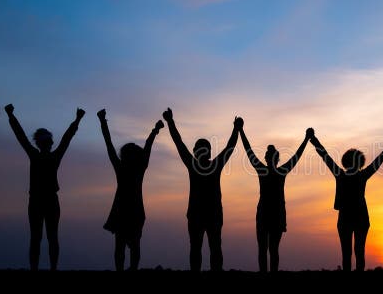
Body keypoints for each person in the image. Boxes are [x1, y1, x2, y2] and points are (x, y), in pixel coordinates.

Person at [5, 104, 84, 271]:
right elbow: (21, 136)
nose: (50, 143)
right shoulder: (43, 155)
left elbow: (66, 138)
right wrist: (11, 117)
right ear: (43, 143)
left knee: (47, 237)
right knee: (40, 237)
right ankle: (40, 268)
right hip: (41, 201)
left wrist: (77, 120)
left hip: (44, 201)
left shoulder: (44, 155)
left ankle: (49, 268)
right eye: (47, 141)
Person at [162, 108, 240, 272]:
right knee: (207, 248)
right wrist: (236, 128)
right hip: (206, 214)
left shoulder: (199, 165)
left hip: (204, 214)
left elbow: (180, 143)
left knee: (208, 248)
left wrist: (170, 122)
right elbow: (230, 147)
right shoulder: (209, 166)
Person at [311, 133, 383, 271]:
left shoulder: (342, 175)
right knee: (358, 252)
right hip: (357, 217)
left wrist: (314, 141)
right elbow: (378, 161)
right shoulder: (360, 175)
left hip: (349, 218)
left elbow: (326, 157)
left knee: (348, 253)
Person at [239, 119, 312, 272]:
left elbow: (249, 150)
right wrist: (306, 139)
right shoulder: (280, 171)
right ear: (277, 159)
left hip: (269, 214)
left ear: (267, 158)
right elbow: (296, 156)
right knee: (272, 249)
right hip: (273, 214)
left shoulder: (264, 170)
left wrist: (240, 131)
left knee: (266, 249)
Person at [98, 109, 163, 272]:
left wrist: (103, 122)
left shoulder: (123, 168)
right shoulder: (138, 168)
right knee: (132, 245)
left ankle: (124, 270)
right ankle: (131, 269)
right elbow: (147, 146)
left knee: (123, 244)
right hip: (132, 210)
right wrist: (155, 131)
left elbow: (109, 145)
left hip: (124, 209)